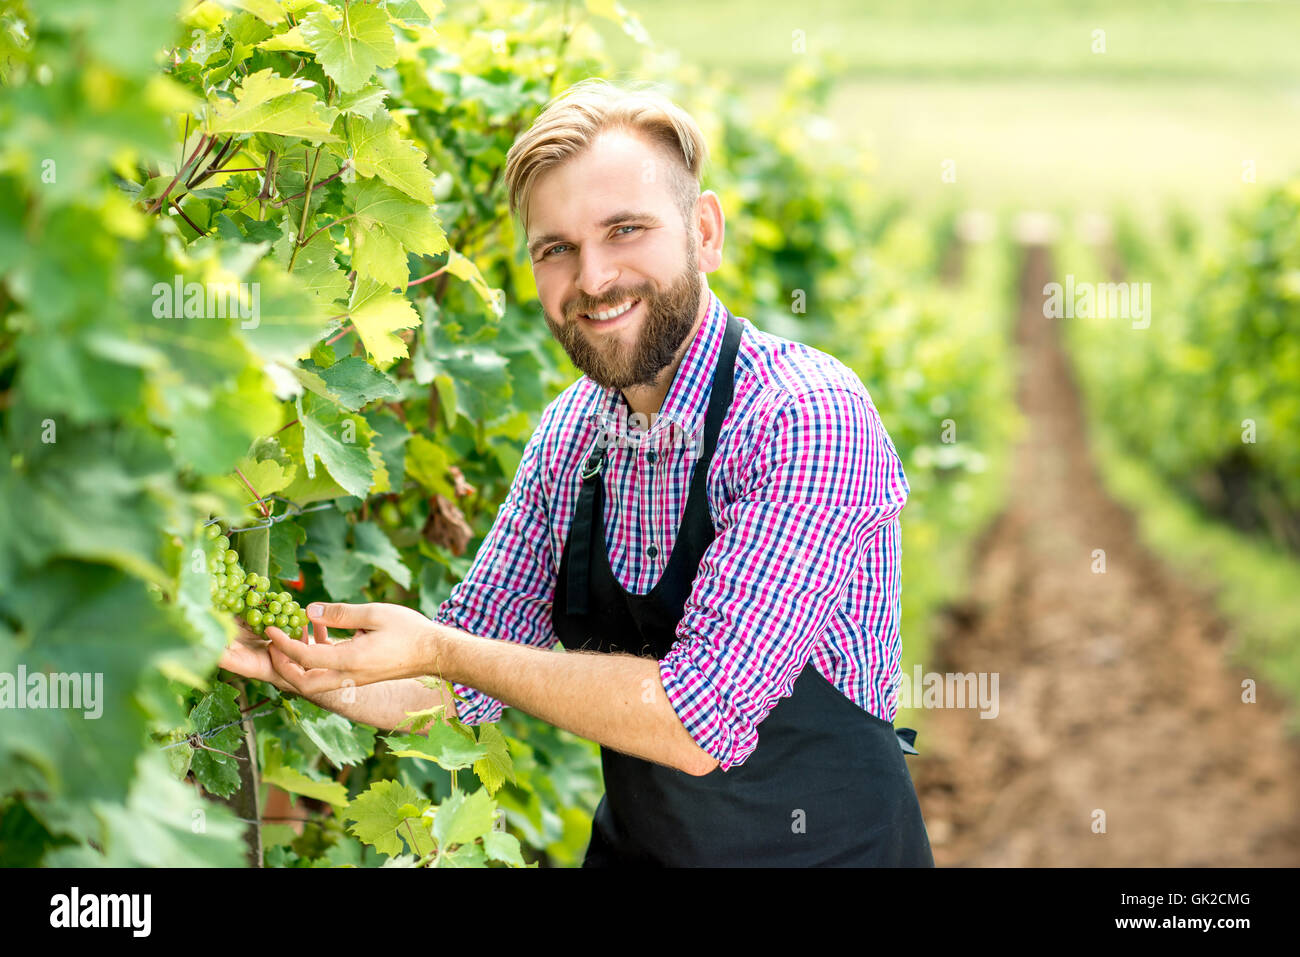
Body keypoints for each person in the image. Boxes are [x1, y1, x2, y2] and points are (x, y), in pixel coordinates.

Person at [222, 78, 935, 867]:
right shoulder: (572, 435)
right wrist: (306, 666)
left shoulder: (803, 416)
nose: (593, 279)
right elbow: (457, 685)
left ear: (704, 232)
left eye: (625, 230)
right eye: (556, 248)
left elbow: (697, 722)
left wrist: (442, 651)